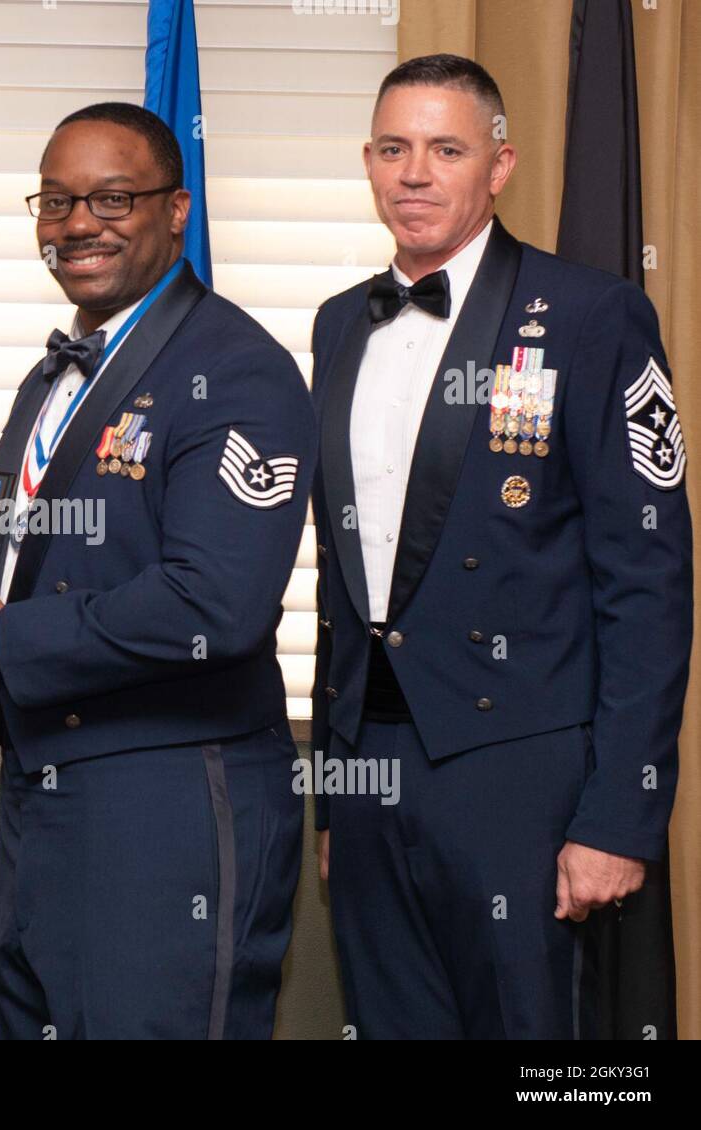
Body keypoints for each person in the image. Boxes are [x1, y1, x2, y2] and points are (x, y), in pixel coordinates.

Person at [0, 103, 316, 1039]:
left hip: (167, 805)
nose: (77, 223)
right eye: (55, 202)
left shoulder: (236, 368)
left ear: (177, 211)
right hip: (42, 795)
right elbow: (16, 569)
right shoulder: (57, 374)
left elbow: (215, 603)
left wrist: (4, 635)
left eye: (112, 198)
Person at [309, 54, 692, 1039]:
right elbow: (340, 576)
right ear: (365, 162)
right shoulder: (337, 324)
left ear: (500, 165)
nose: (414, 174)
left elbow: (645, 580)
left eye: (445, 148)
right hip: (368, 762)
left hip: (519, 768)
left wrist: (616, 818)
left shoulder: (589, 316)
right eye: (393, 149)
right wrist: (329, 791)